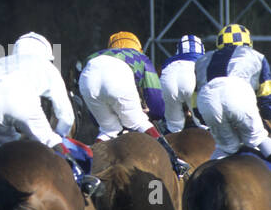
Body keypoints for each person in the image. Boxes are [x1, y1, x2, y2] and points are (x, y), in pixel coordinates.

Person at [0, 32, 101, 197]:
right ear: (46, 53)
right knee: (50, 140)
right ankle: (83, 180)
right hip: (20, 104)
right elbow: (66, 115)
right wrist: (59, 138)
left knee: (4, 149)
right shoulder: (47, 66)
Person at [195, 23, 271, 200]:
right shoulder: (256, 55)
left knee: (226, 147)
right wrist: (266, 112)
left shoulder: (202, 60)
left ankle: (198, 189)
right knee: (258, 138)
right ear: (247, 42)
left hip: (207, 99)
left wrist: (203, 118)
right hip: (237, 92)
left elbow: (196, 101)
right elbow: (267, 95)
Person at [78, 31, 190, 177]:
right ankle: (175, 161)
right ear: (137, 47)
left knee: (108, 129)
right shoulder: (140, 57)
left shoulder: (96, 55)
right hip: (115, 76)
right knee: (139, 122)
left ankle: (87, 170)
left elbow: (94, 117)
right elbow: (155, 97)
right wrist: (153, 114)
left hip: (87, 77)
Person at [160, 35, 207, 133]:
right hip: (191, 83)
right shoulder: (204, 59)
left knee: (173, 127)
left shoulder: (169, 61)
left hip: (168, 81)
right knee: (203, 124)